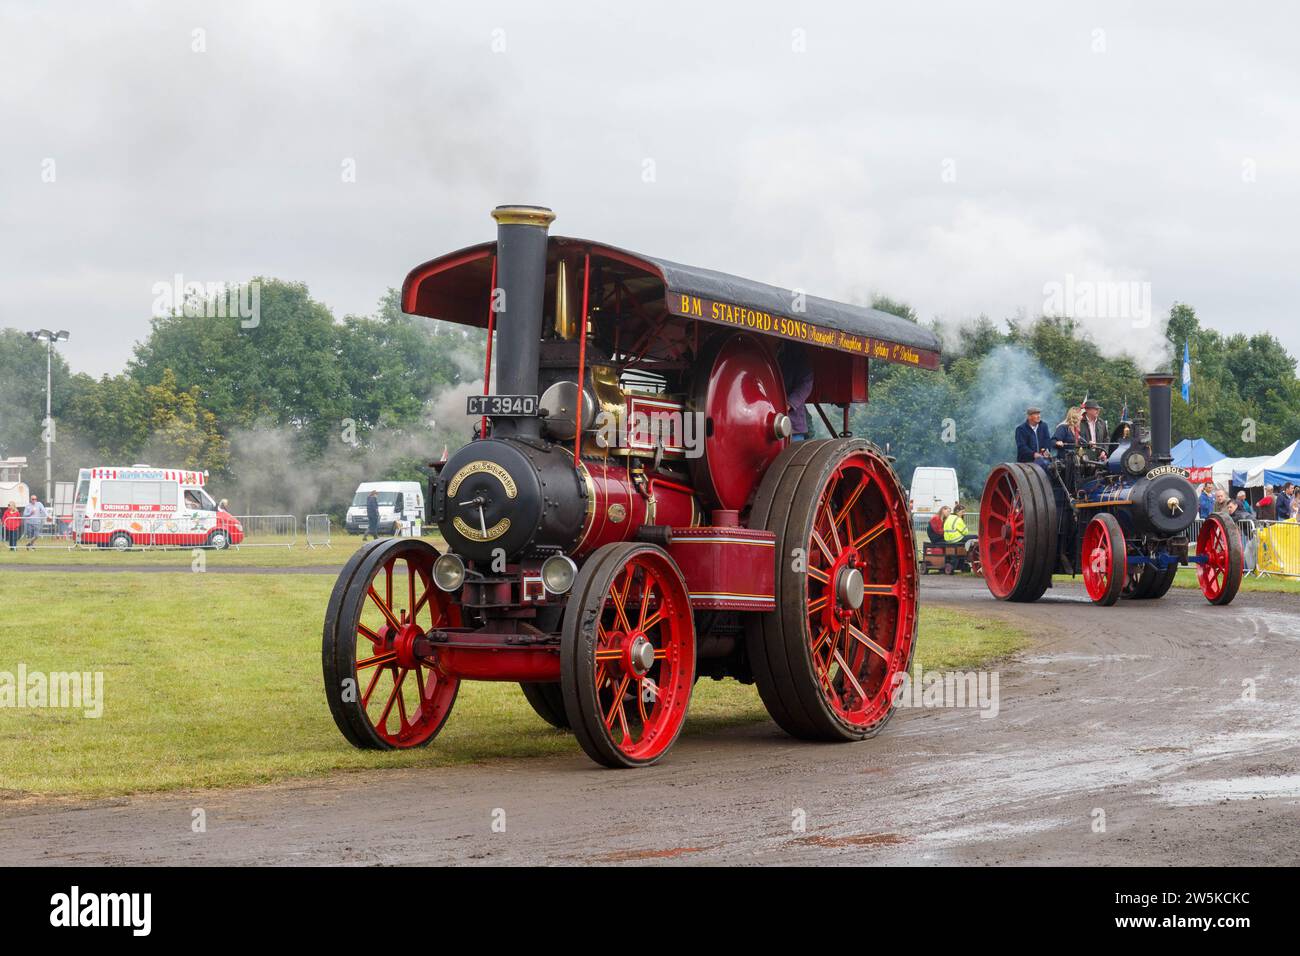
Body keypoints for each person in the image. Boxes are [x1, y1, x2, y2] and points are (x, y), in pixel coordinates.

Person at [778, 343, 815, 441]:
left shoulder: (796, 353)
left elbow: (806, 384)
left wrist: (789, 404)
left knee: (795, 454)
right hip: (766, 423)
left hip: (793, 424)